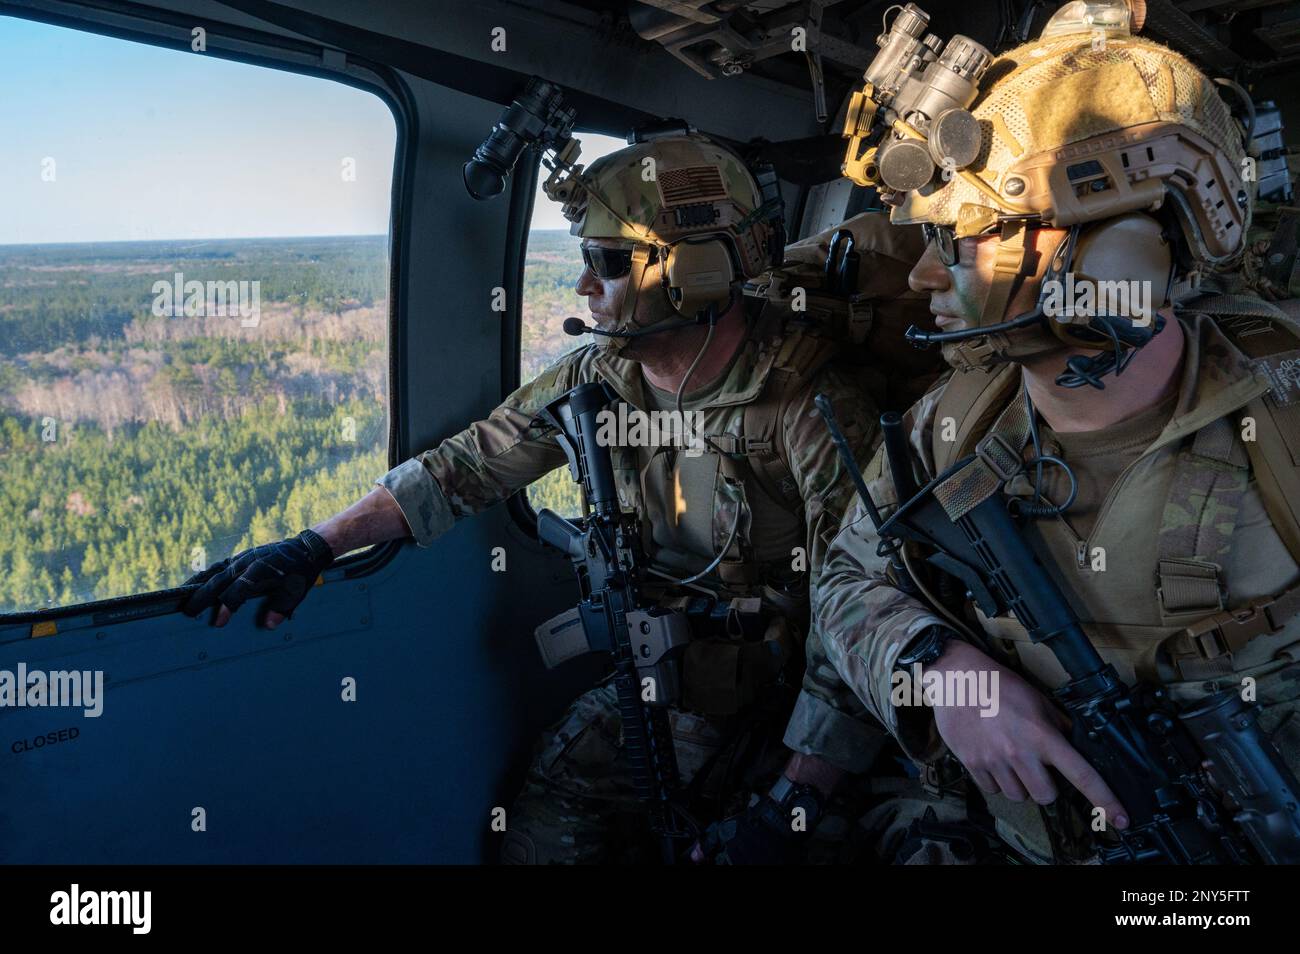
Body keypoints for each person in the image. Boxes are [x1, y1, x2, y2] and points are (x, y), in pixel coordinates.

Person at [182, 133, 916, 863]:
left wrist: (799, 790)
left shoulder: (809, 404)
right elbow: (465, 466)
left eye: (607, 264)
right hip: (667, 670)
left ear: (693, 270)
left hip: (796, 691)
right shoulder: (601, 376)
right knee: (551, 806)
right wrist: (314, 547)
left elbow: (857, 601)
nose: (584, 289)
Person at [814, 12, 1300, 863]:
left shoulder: (1285, 412)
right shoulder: (953, 419)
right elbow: (845, 577)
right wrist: (946, 673)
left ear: (1117, 252)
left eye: (960, 242)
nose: (925, 276)